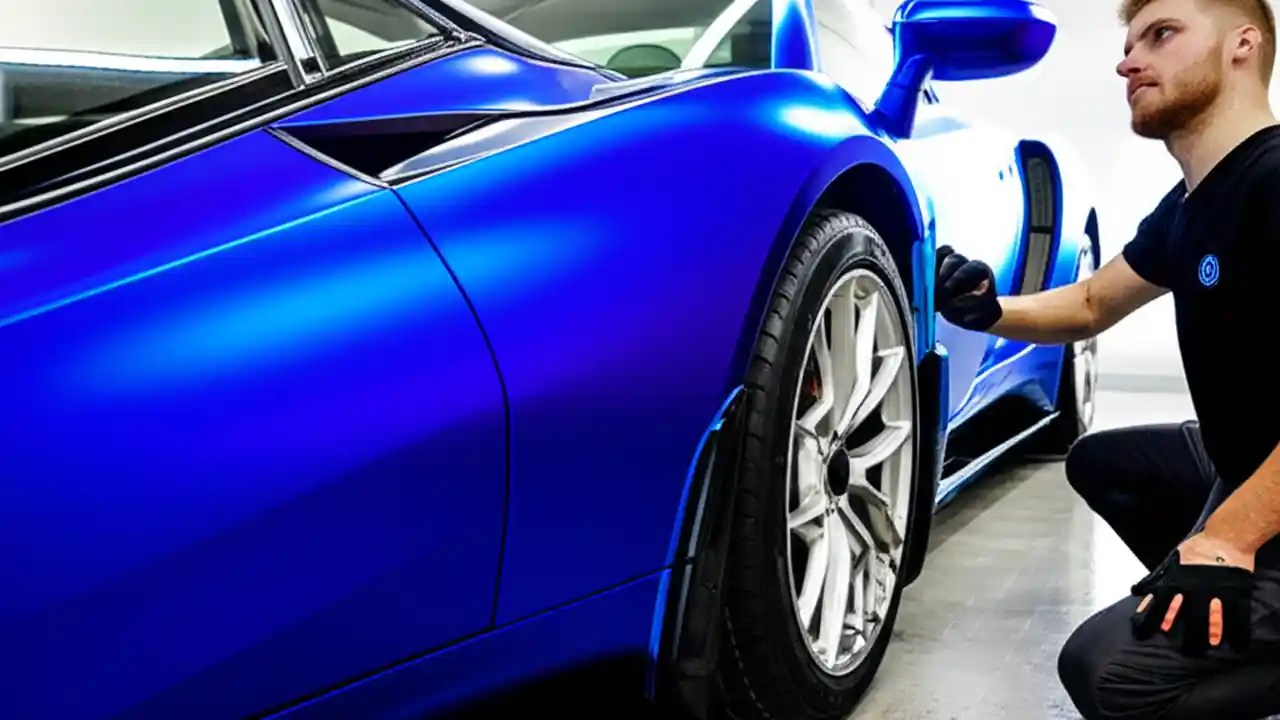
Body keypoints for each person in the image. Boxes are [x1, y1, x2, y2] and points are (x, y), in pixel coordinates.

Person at [934, 0, 1280, 716]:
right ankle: (1232, 617)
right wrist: (992, 310)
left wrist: (1230, 537)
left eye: (1161, 35)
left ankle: (1239, 605)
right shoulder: (1193, 201)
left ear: (1244, 44)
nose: (1129, 62)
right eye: (1129, 45)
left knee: (1106, 672)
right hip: (1246, 464)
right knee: (1104, 463)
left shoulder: (1274, 183)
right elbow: (1093, 302)